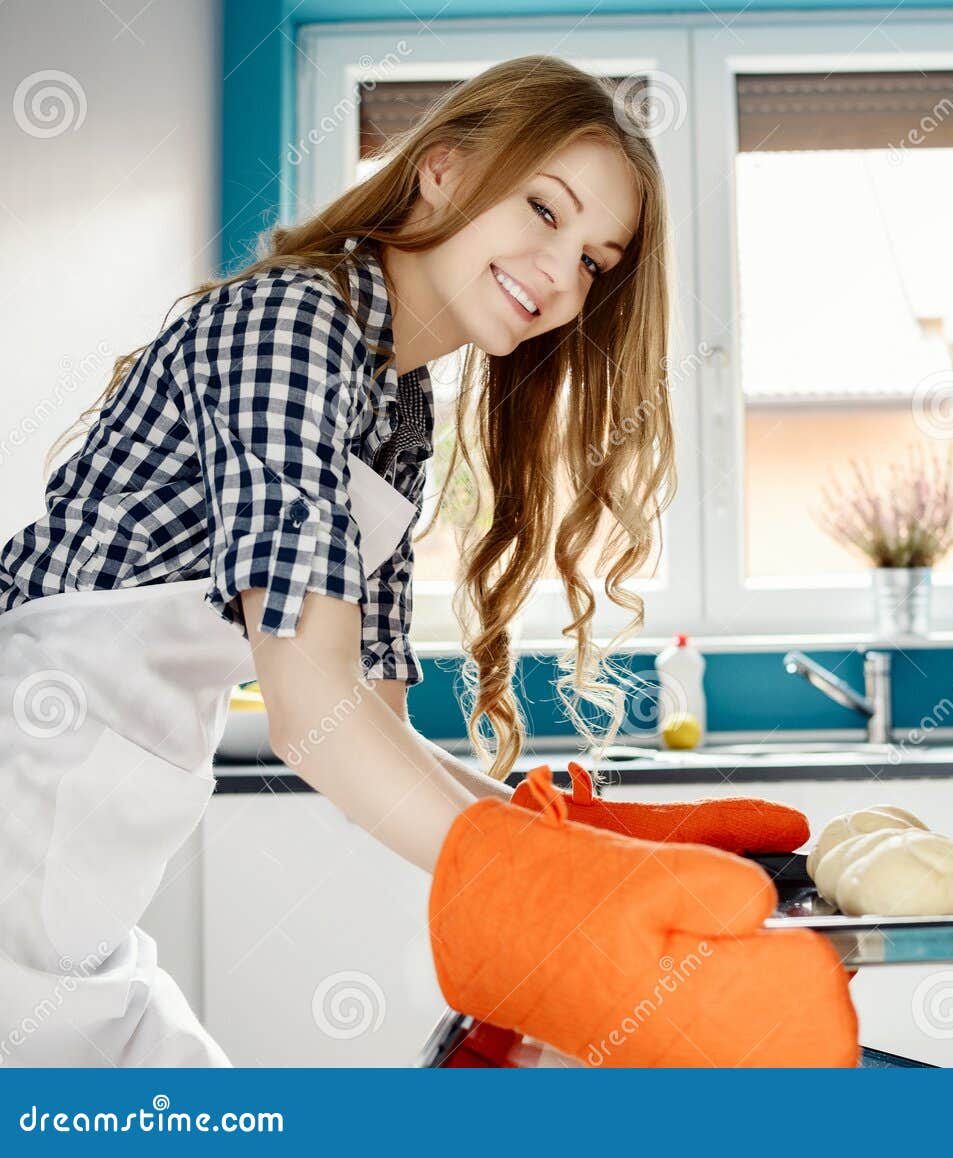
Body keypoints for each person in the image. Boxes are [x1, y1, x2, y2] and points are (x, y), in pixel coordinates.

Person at [0, 55, 856, 1068]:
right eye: (545, 210)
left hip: (93, 834)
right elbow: (312, 715)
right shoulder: (293, 322)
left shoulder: (400, 409)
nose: (559, 270)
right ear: (443, 171)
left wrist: (587, 849)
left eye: (594, 259)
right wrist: (558, 901)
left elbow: (374, 720)